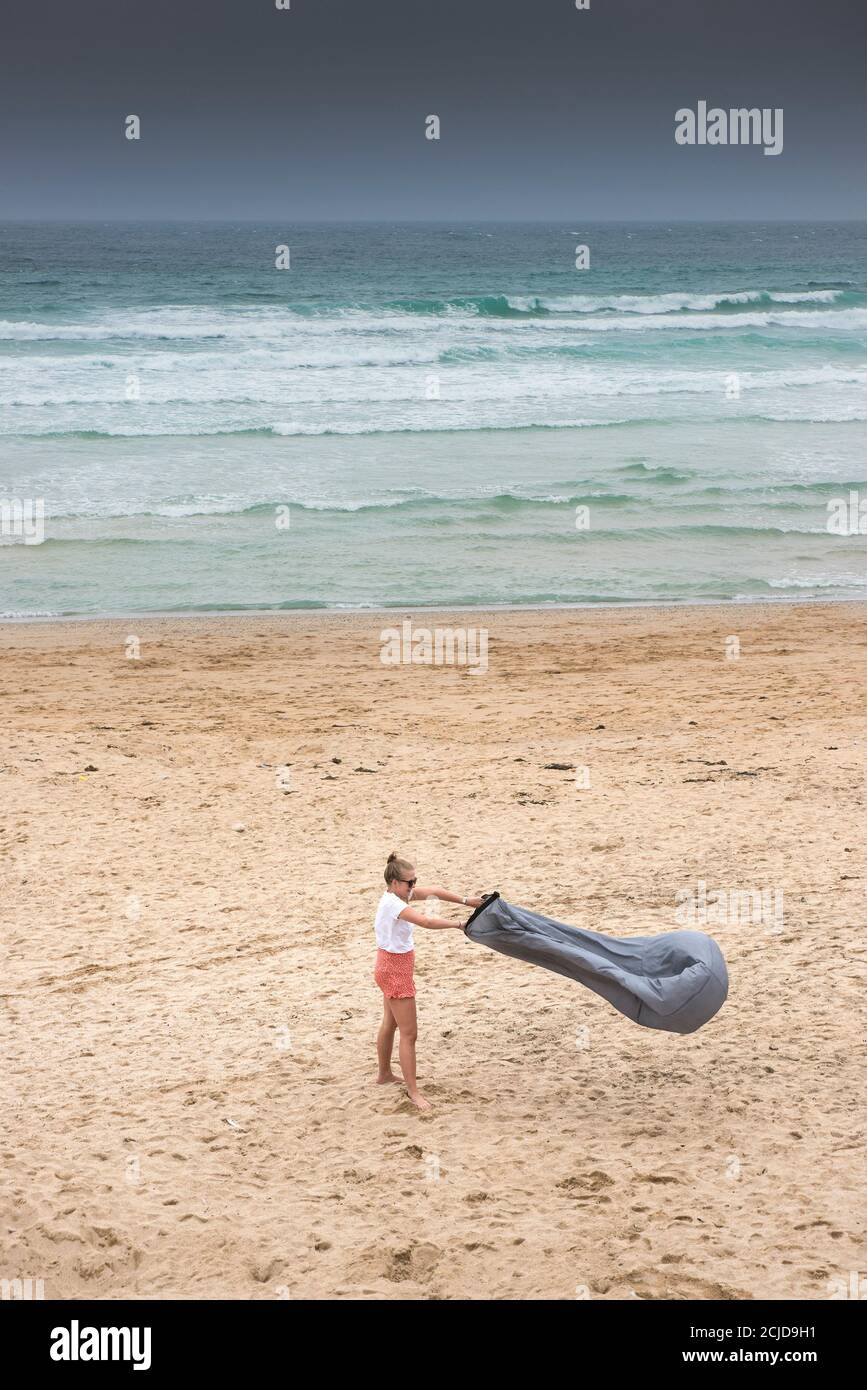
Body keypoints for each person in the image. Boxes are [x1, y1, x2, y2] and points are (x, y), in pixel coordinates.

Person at [374, 852, 484, 1111]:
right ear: (394, 883)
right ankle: (414, 1092)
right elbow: (425, 921)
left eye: (415, 881)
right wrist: (459, 924)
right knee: (410, 1034)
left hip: (387, 966)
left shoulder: (398, 895)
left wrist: (467, 901)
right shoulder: (394, 904)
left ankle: (384, 1075)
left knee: (390, 1023)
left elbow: (434, 891)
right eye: (409, 882)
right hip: (395, 970)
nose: (413, 886)